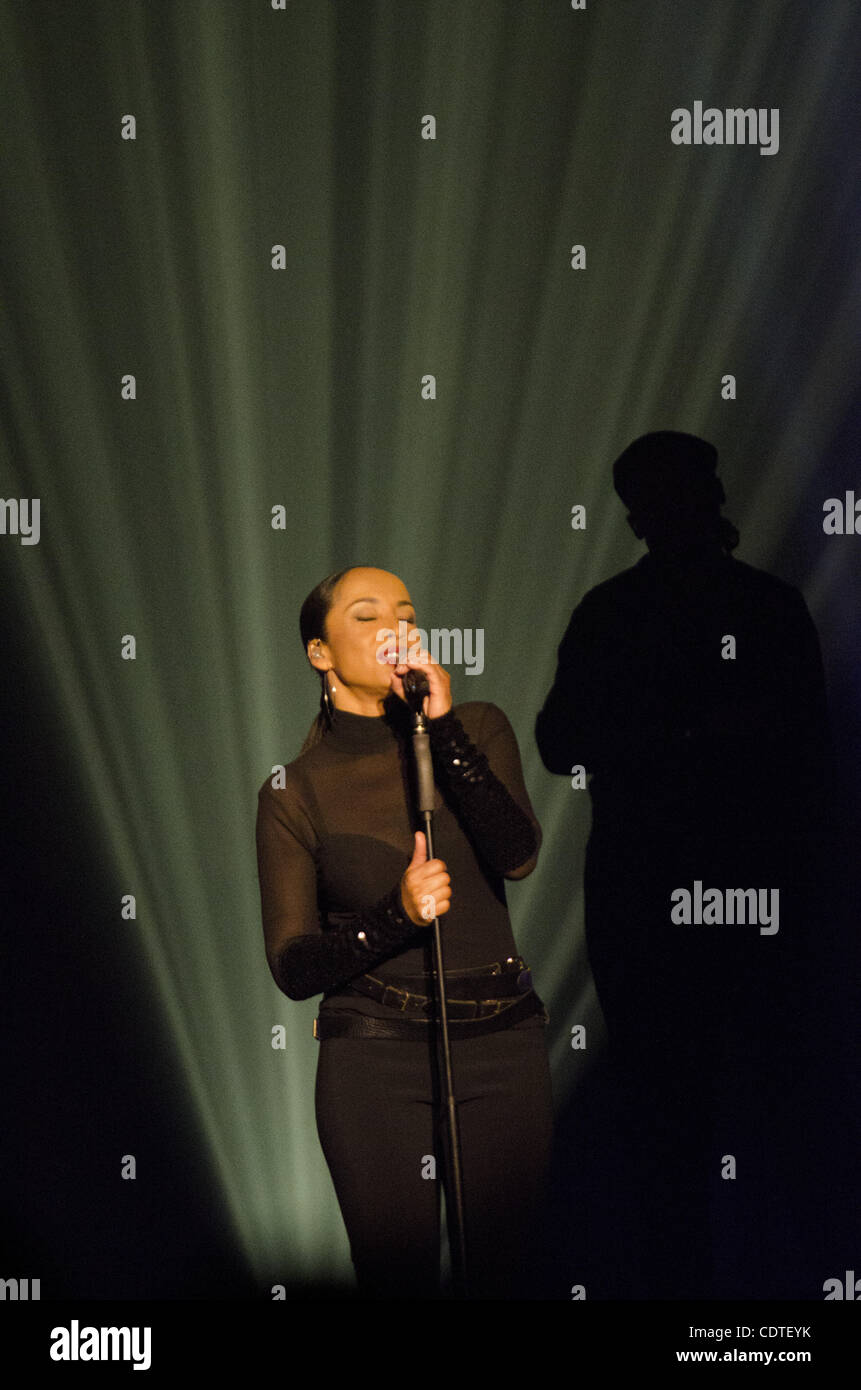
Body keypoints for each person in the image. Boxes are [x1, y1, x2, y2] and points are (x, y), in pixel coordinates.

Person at [535, 432, 837, 1297]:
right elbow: (561, 742)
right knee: (738, 1114)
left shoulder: (623, 613)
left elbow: (560, 742)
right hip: (714, 902)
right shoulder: (759, 607)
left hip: (674, 902)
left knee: (687, 1120)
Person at [255, 565, 554, 1299]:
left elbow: (518, 855)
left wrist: (441, 726)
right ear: (319, 652)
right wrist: (398, 913)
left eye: (405, 612)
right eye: (365, 615)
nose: (394, 626)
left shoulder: (476, 726)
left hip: (502, 1046)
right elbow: (295, 967)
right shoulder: (294, 790)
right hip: (376, 1063)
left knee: (510, 1274)